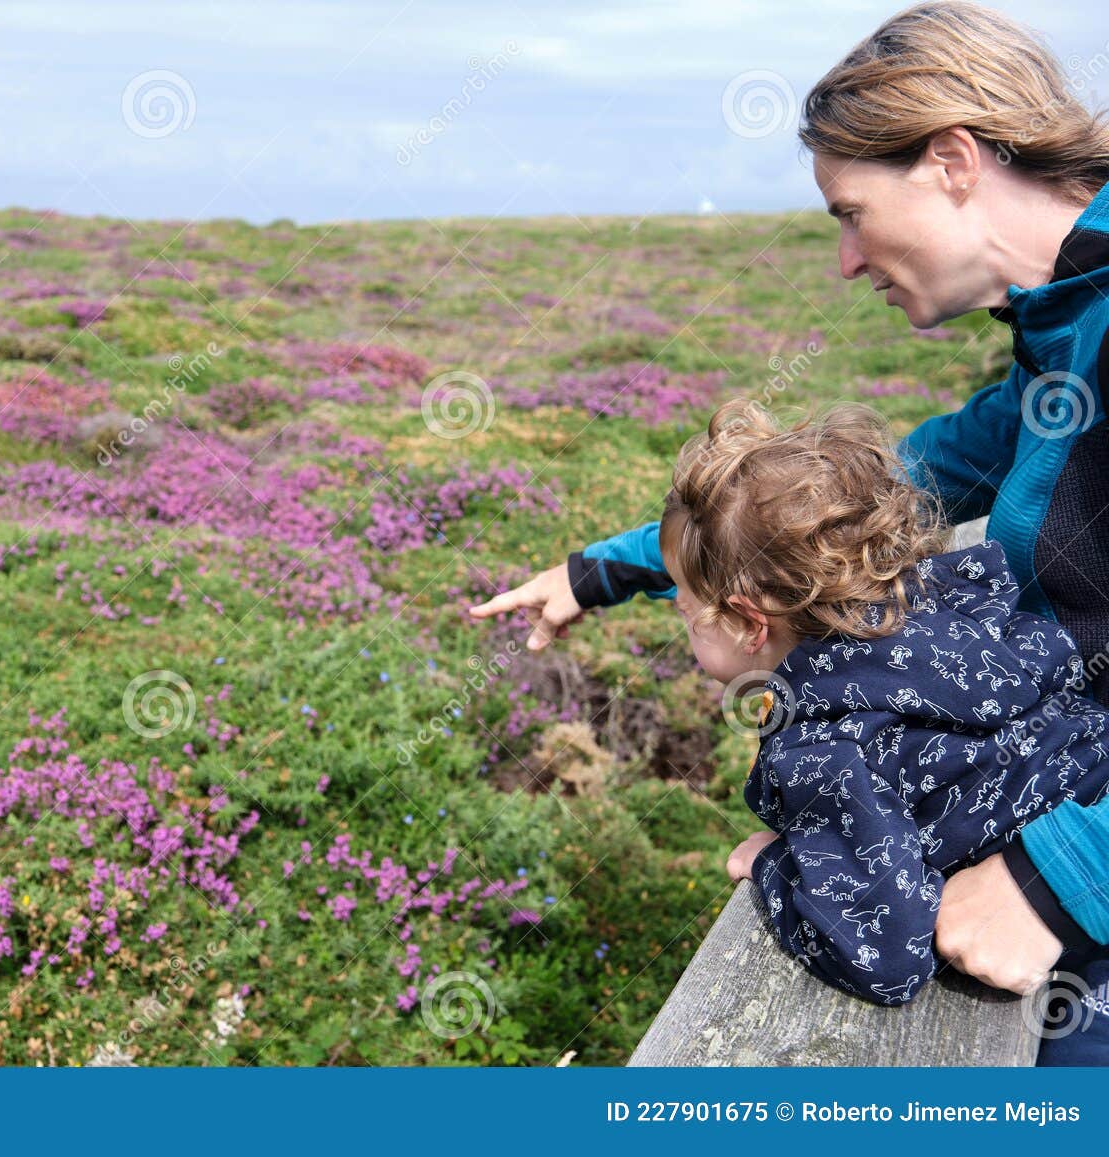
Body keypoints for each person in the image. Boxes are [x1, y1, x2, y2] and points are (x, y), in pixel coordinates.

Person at [469, 0, 1109, 1004]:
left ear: (951, 161)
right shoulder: (1061, 338)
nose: (846, 262)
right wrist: (607, 569)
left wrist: (1062, 880)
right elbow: (841, 508)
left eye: (849, 213)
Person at [657, 398, 1109, 1061]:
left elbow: (887, 952)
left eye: (683, 602)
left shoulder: (823, 746)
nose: (676, 610)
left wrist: (775, 866)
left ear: (749, 621)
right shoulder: (947, 610)